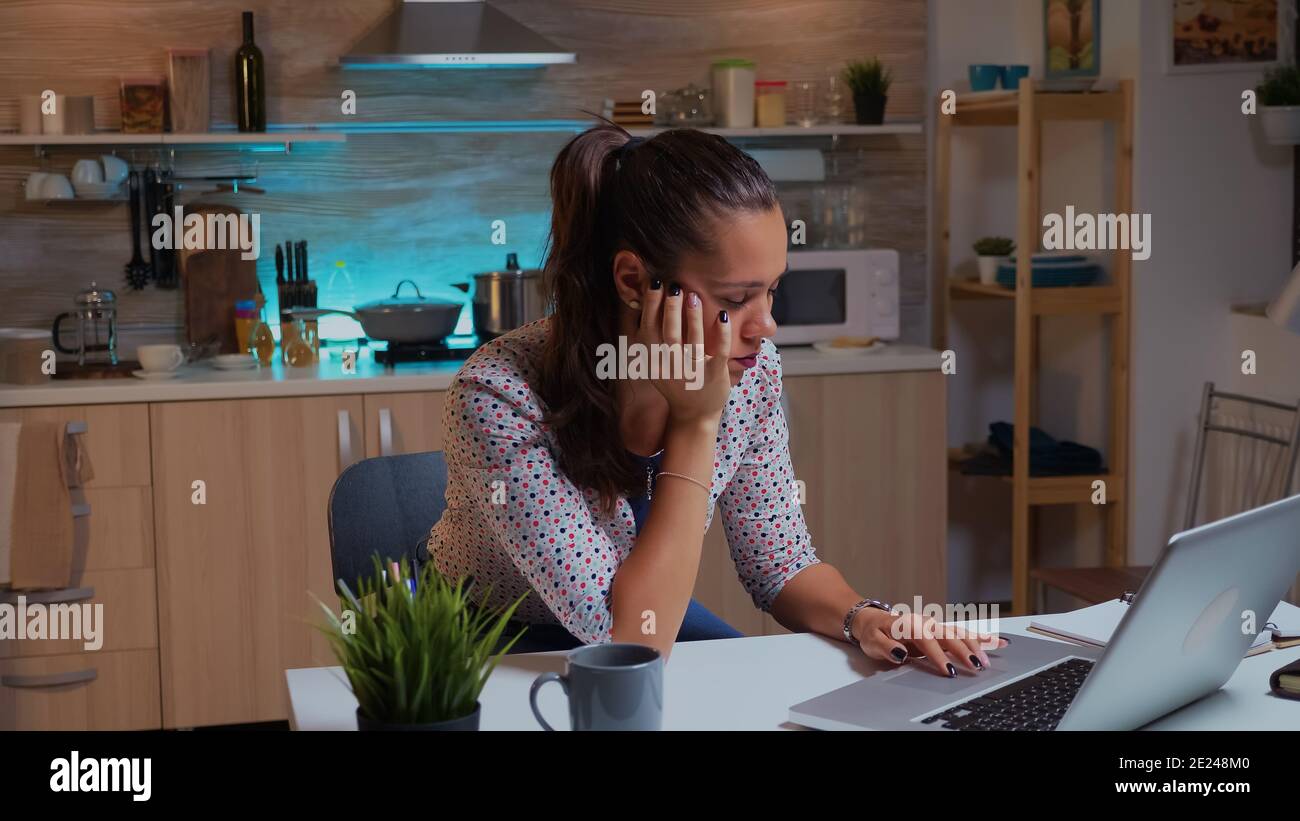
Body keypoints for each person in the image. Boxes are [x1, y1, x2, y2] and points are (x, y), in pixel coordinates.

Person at [428, 123, 1003, 673]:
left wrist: (868, 619)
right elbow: (630, 642)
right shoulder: (499, 394)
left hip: (647, 615)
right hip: (492, 641)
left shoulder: (750, 372)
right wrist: (696, 424)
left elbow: (779, 564)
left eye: (772, 290)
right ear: (633, 281)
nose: (768, 325)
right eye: (738, 297)